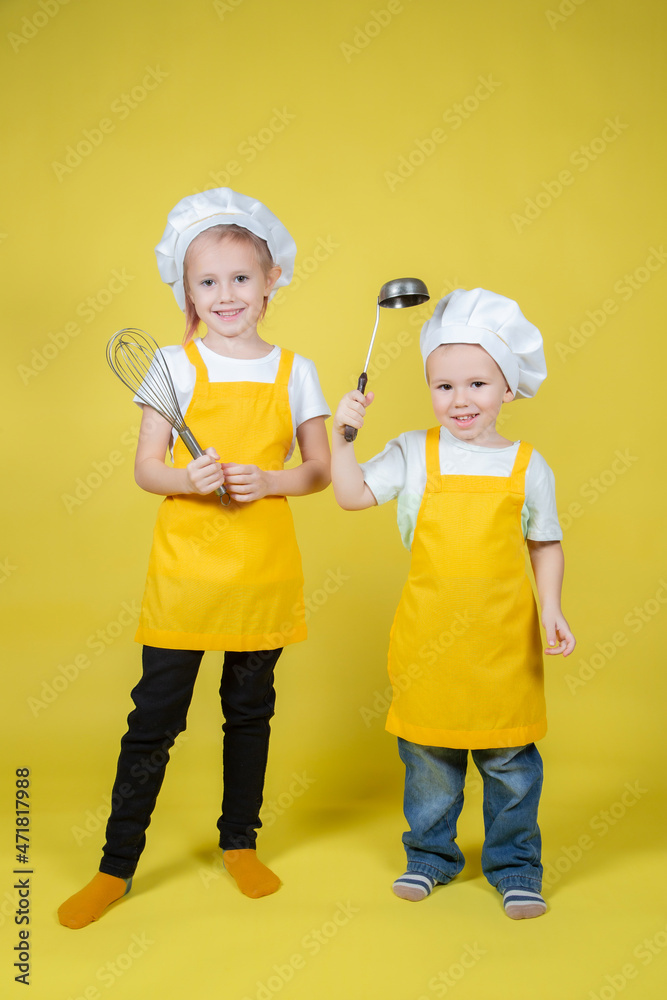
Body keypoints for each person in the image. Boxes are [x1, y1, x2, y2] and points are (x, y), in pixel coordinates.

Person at [58, 188, 330, 928]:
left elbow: (317, 471)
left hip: (262, 572)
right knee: (153, 720)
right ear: (186, 289)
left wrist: (266, 480)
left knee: (249, 713)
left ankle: (239, 843)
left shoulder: (296, 369)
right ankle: (115, 867)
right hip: (184, 575)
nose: (225, 295)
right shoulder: (169, 368)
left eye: (240, 278)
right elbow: (148, 467)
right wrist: (188, 479)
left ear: (271, 279)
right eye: (206, 282)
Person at [332, 287, 575, 919]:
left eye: (476, 384)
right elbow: (353, 495)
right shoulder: (416, 452)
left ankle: (515, 865)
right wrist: (342, 438)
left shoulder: (529, 466)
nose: (459, 400)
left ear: (509, 389)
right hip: (428, 643)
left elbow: (544, 545)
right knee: (430, 763)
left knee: (511, 765)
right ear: (428, 388)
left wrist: (550, 608)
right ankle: (431, 856)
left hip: (503, 646)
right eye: (443, 387)